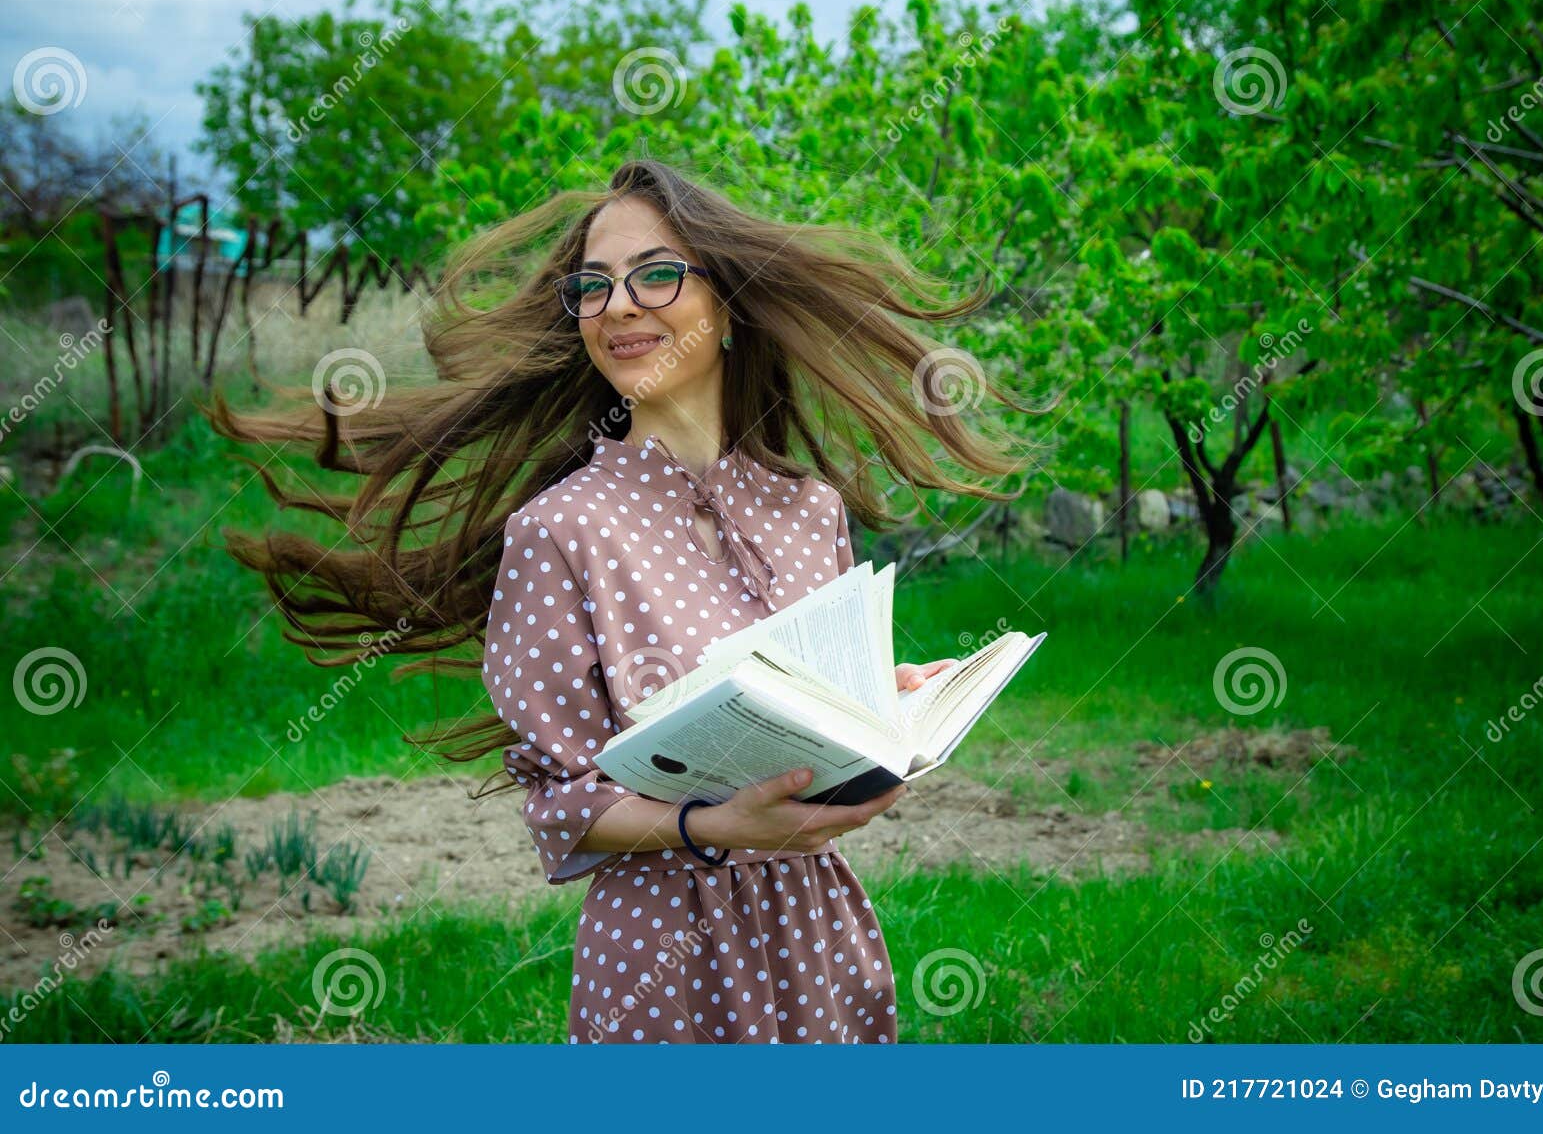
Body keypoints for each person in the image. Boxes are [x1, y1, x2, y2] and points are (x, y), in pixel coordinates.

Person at [202, 158, 1051, 1043]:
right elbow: (560, 804)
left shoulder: (810, 511)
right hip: (658, 955)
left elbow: (811, 714)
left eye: (654, 274)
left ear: (729, 304)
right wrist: (719, 822)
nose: (618, 306)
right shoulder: (560, 533)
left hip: (815, 934)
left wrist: (885, 705)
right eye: (593, 288)